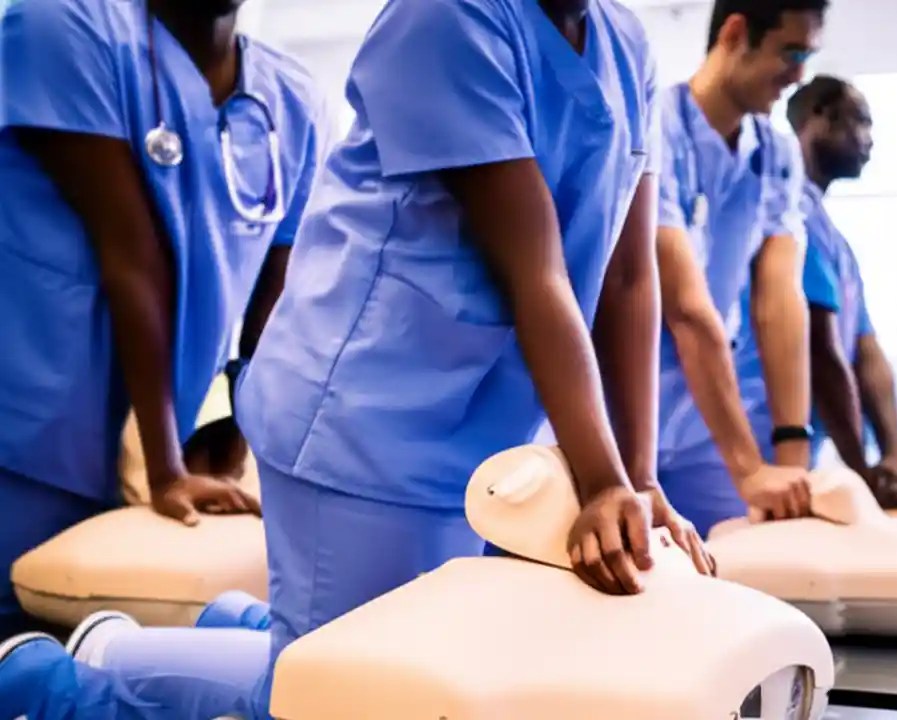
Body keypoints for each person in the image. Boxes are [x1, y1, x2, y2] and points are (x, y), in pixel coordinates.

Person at [0, 0, 713, 717]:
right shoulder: (448, 18)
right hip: (364, 418)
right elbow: (536, 271)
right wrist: (600, 480)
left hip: (489, 433)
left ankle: (220, 634)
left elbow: (626, 277)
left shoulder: (624, 43)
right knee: (338, 700)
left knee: (410, 673)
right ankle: (47, 684)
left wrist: (639, 477)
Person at [0, 0, 328, 638]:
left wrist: (241, 426)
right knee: (16, 642)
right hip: (27, 426)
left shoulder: (290, 98)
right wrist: (165, 470)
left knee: (104, 645)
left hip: (157, 434)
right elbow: (133, 254)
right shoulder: (60, 28)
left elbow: (275, 304)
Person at [653, 0, 827, 538]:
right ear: (735, 33)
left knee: (749, 557)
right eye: (791, 52)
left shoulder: (775, 152)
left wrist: (791, 454)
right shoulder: (657, 126)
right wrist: (749, 468)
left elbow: (780, 300)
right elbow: (684, 305)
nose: (800, 76)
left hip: (705, 413)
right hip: (624, 398)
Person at [735, 75, 897, 508]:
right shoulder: (789, 214)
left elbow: (866, 354)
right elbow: (822, 353)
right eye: (860, 123)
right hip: (757, 446)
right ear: (816, 120)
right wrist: (862, 474)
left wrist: (892, 454)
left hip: (799, 456)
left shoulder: (834, 238)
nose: (869, 141)